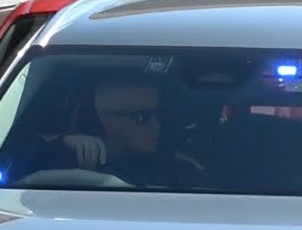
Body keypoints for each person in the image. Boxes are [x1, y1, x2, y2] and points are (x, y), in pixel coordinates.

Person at [51, 74, 203, 187]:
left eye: (159, 114)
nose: (156, 125)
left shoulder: (181, 171)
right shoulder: (59, 157)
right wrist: (58, 142)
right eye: (141, 117)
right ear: (99, 118)